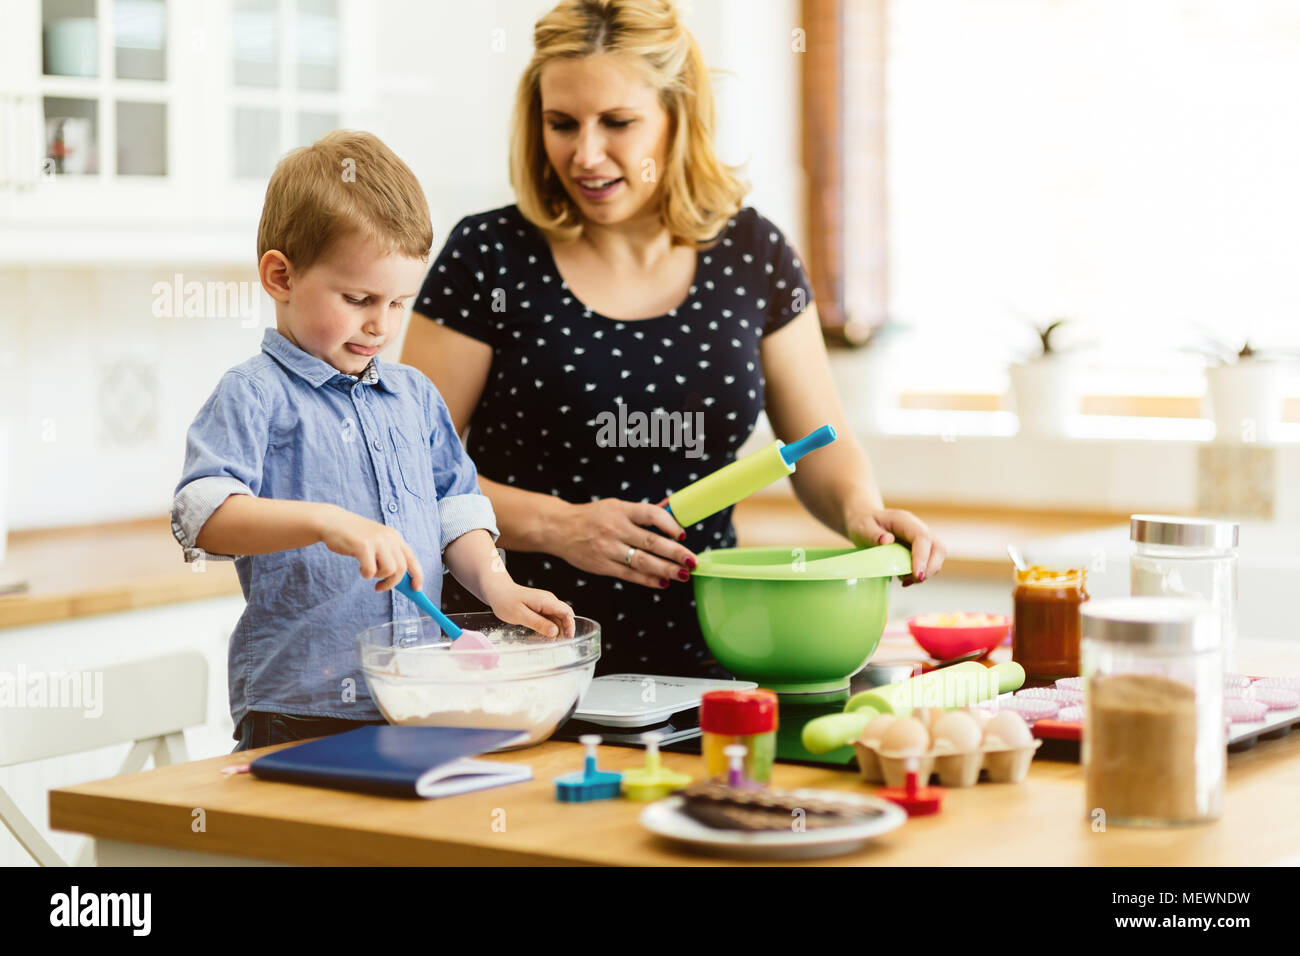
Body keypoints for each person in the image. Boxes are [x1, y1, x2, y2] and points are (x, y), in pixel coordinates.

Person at [402, 0, 946, 679]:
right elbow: (406, 475)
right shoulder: (486, 257)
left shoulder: (754, 253)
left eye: (618, 123)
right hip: (521, 661)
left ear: (677, 114)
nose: (586, 154)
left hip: (716, 656)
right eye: (561, 123)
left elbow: (820, 447)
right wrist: (561, 526)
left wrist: (864, 514)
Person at [171, 130, 574, 752]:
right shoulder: (254, 394)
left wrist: (497, 585)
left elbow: (456, 508)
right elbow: (203, 516)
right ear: (280, 276)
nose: (380, 324)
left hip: (414, 698)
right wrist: (327, 521)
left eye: (398, 302)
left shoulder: (414, 397)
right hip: (297, 710)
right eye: (358, 299)